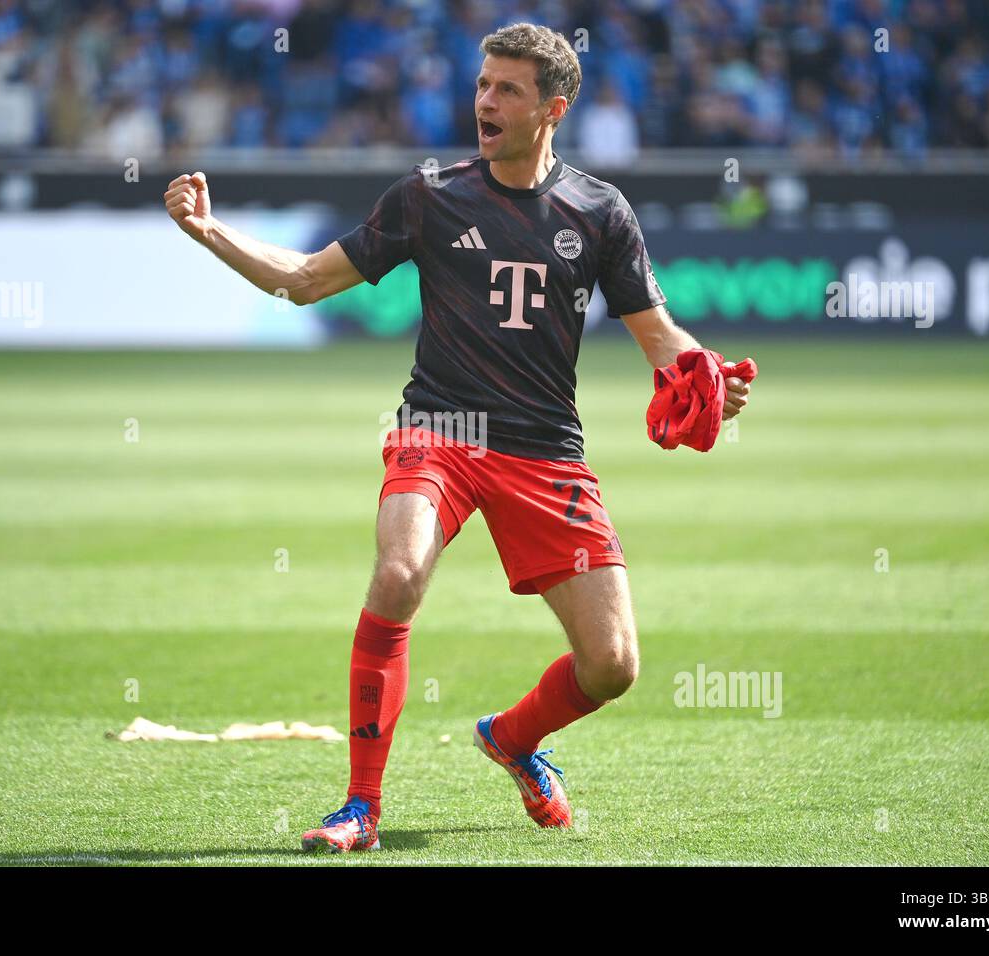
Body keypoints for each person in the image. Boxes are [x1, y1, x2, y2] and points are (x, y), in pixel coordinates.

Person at [164, 22, 752, 854]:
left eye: (507, 89)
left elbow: (661, 339)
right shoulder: (429, 196)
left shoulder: (600, 211)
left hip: (545, 448)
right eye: (483, 84)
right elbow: (302, 281)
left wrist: (709, 375)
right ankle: (360, 807)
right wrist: (209, 231)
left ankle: (513, 738)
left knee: (613, 665)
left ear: (552, 109)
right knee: (399, 573)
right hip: (438, 430)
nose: (485, 100)